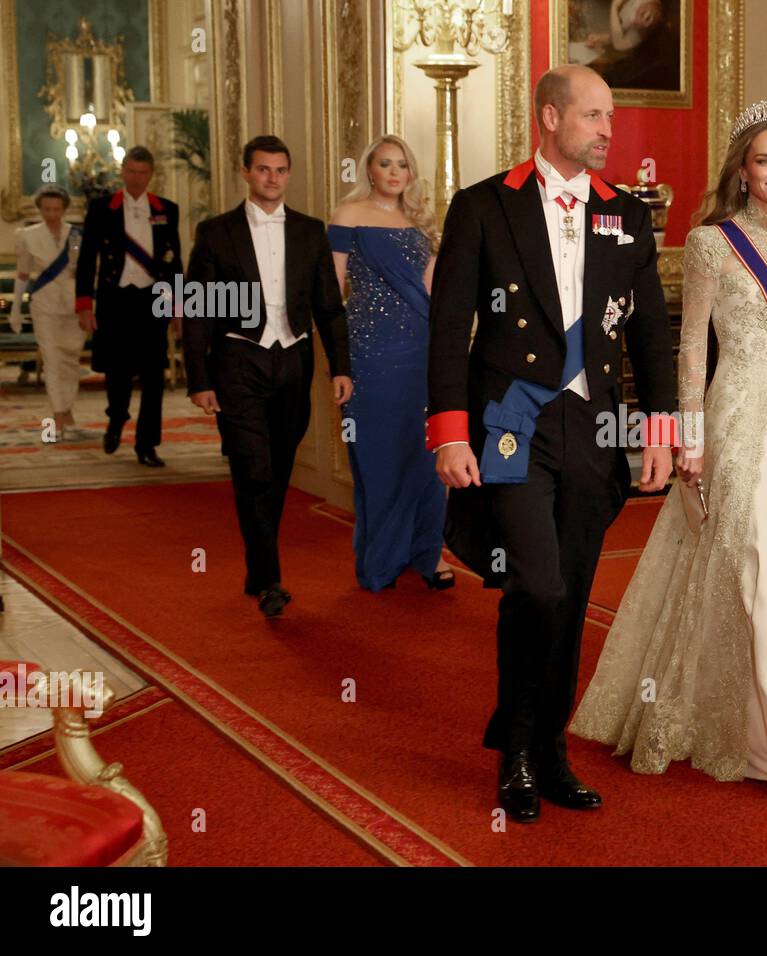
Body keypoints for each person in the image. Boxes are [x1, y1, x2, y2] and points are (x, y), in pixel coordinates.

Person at [569, 101, 767, 789]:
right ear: (742, 171)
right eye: (764, 159)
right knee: (759, 557)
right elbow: (690, 349)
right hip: (736, 412)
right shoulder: (714, 243)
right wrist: (690, 436)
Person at [427, 65, 678, 822]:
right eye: (594, 116)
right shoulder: (482, 206)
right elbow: (448, 328)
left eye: (610, 116)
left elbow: (651, 338)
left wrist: (660, 431)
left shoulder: (625, 217)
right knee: (533, 584)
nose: (609, 130)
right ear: (549, 117)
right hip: (509, 426)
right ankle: (516, 751)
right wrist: (448, 432)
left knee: (568, 596)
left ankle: (551, 754)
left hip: (591, 429)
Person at [184, 135, 352, 618]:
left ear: (288, 174)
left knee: (277, 468)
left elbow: (329, 307)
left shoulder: (308, 230)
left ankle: (258, 567)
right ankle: (270, 580)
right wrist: (200, 379)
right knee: (252, 467)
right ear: (245, 172)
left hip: (292, 362)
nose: (272, 178)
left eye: (280, 170)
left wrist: (341, 367)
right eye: (263, 170)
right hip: (238, 361)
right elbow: (197, 311)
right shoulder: (216, 232)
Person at [328, 135, 453, 592]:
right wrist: (337, 362)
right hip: (369, 354)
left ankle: (429, 553)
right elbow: (330, 293)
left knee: (425, 454)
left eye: (402, 164)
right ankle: (382, 558)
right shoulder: (347, 216)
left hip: (420, 349)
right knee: (379, 457)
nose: (395, 172)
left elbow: (432, 291)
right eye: (385, 164)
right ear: (371, 170)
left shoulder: (419, 222)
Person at [74, 146, 183, 466]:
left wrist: (178, 306)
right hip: (115, 299)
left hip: (152, 301)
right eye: (131, 172)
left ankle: (147, 445)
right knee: (118, 372)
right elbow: (87, 260)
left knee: (154, 376)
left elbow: (174, 261)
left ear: (151, 175)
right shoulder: (101, 208)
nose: (137, 178)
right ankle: (117, 416)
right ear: (123, 171)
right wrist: (84, 304)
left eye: (143, 173)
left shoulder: (167, 209)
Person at [8, 186, 86, 440]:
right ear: (40, 209)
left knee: (70, 358)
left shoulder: (77, 235)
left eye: (56, 209)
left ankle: (67, 405)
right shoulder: (27, 235)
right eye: (47, 209)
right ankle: (58, 413)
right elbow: (22, 275)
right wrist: (16, 308)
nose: (51, 214)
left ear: (64, 209)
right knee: (52, 359)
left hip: (73, 303)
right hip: (44, 303)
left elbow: (85, 273)